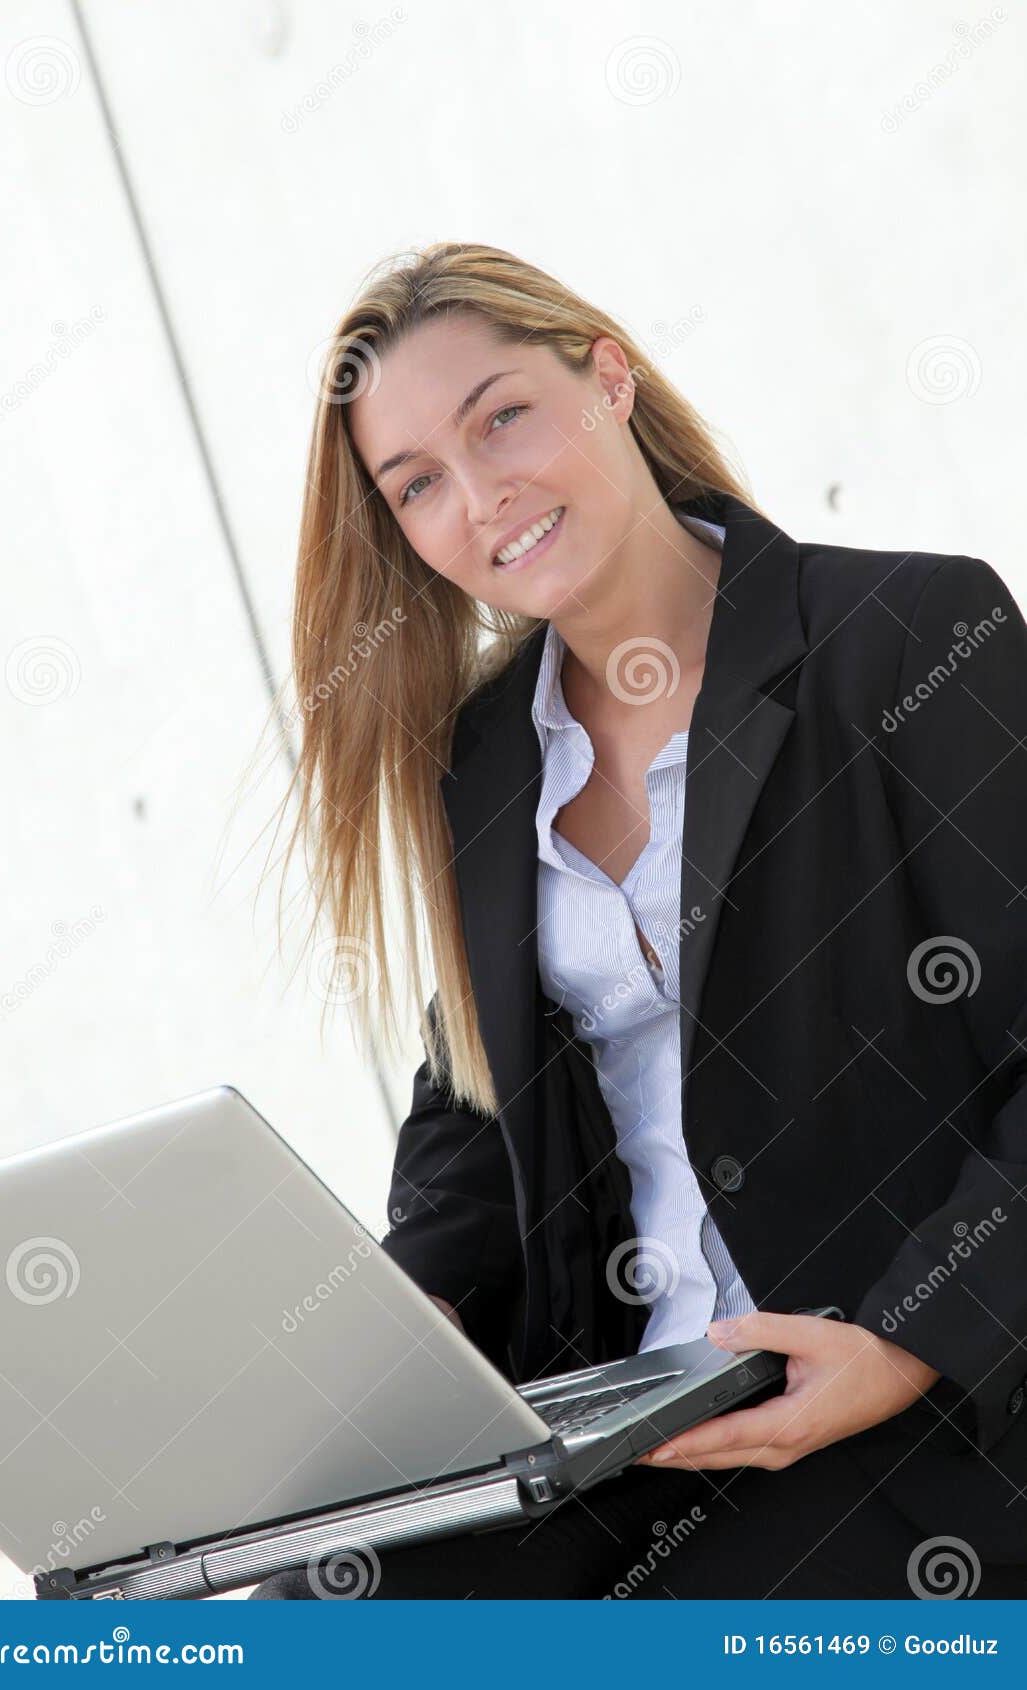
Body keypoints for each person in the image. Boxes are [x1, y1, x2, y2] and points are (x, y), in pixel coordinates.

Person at [251, 242, 1027, 1599]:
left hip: (910, 1411)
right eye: (417, 482)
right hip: (621, 1421)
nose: (482, 494)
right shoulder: (479, 767)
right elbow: (478, 1123)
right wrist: (403, 1327)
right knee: (302, 1617)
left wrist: (912, 1337)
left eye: (501, 416)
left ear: (606, 376)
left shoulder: (907, 634)